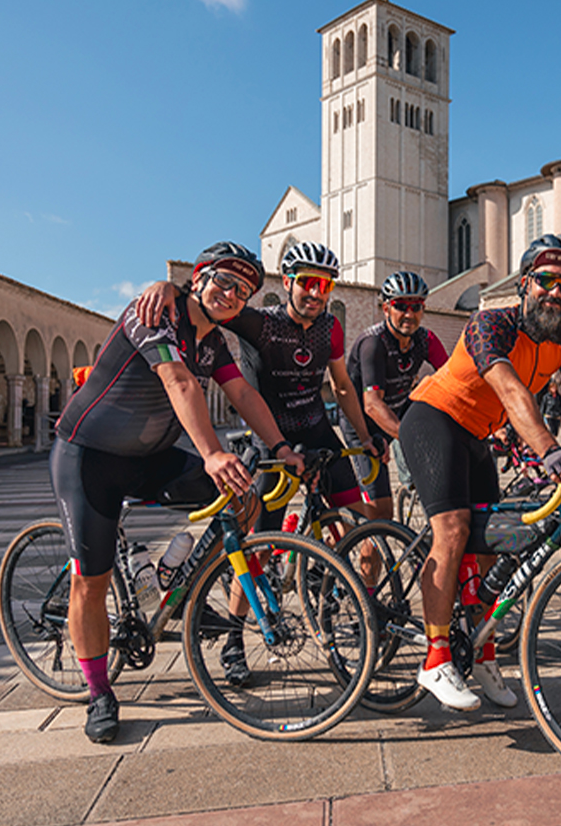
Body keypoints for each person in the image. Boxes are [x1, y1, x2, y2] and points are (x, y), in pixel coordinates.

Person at [54, 243, 306, 744]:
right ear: (199, 277)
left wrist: (279, 445)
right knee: (92, 581)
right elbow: (180, 384)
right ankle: (99, 691)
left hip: (150, 456)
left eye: (243, 291)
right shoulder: (155, 312)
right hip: (89, 456)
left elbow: (244, 394)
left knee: (244, 499)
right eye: (222, 282)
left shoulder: (213, 343)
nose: (231, 295)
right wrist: (213, 454)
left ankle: (177, 583)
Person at [402, 234, 561, 711]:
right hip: (434, 420)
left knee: (492, 548)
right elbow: (512, 391)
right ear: (525, 285)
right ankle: (434, 658)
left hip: (476, 437)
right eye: (546, 280)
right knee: (451, 531)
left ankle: (484, 652)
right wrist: (551, 450)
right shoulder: (490, 323)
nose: (555, 292)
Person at [137, 242, 382, 688]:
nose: (316, 292)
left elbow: (342, 386)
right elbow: (207, 304)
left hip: (318, 434)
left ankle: (364, 620)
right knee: (257, 549)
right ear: (287, 283)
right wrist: (168, 288)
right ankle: (233, 640)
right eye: (307, 282)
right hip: (272, 443)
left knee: (365, 535)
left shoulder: (330, 328)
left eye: (324, 285)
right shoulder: (259, 322)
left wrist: (364, 437)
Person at [346, 270, 449, 521]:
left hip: (396, 410)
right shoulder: (373, 344)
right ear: (385, 308)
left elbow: (451, 379)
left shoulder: (425, 339)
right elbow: (371, 405)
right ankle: (344, 545)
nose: (409, 314)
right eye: (400, 306)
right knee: (380, 519)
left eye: (416, 307)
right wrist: (409, 438)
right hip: (362, 424)